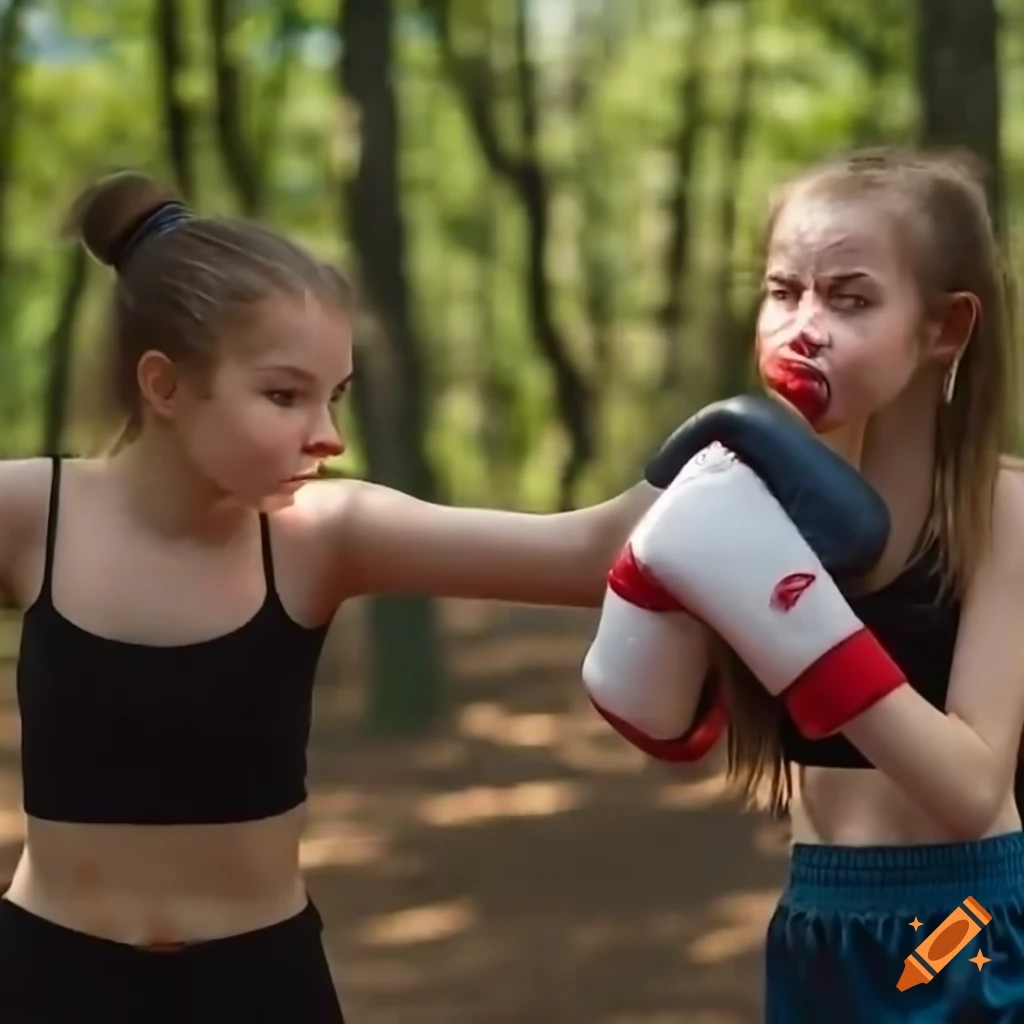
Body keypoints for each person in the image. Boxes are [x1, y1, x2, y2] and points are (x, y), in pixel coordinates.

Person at [0, 171, 683, 1023]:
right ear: (164, 386)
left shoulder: (324, 534)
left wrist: (739, 437)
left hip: (259, 988)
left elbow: (593, 554)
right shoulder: (30, 514)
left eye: (335, 395)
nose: (327, 435)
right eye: (285, 395)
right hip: (45, 983)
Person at [583, 148, 1024, 1022]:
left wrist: (791, 611)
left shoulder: (1000, 508)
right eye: (783, 292)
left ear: (943, 328)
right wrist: (312, 517)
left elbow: (971, 791)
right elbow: (558, 566)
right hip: (814, 915)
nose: (804, 326)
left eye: (850, 298)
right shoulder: (741, 495)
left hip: (965, 920)